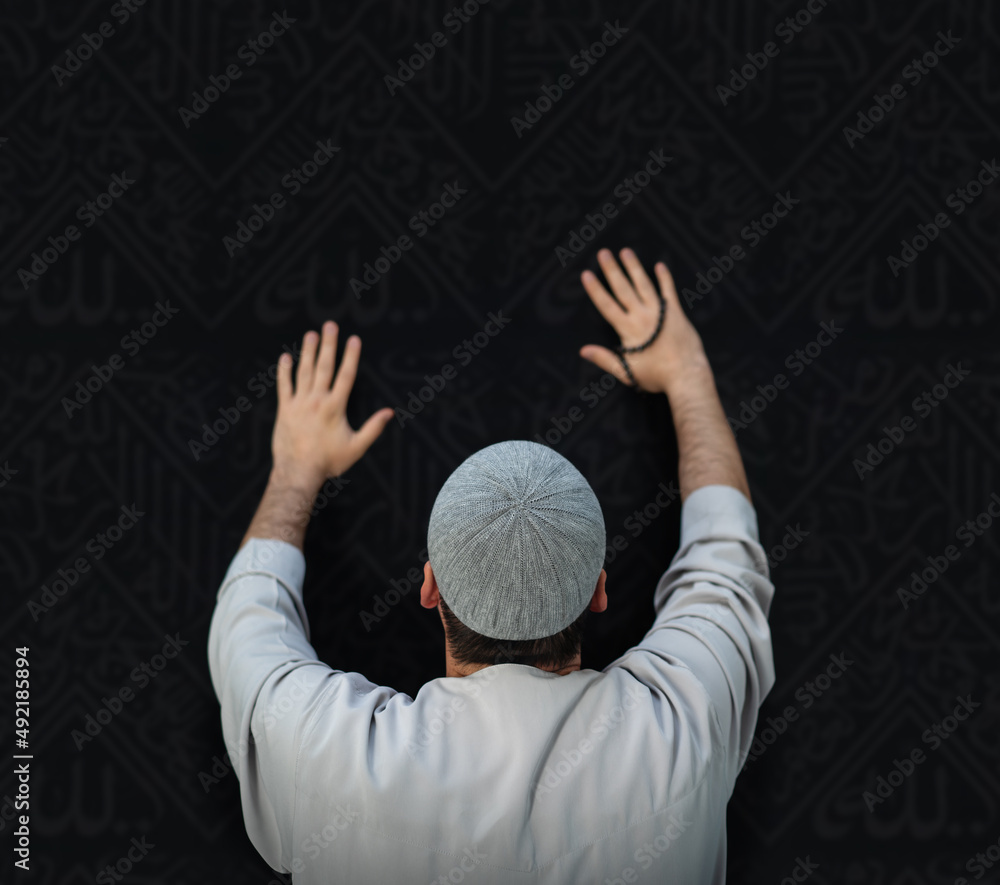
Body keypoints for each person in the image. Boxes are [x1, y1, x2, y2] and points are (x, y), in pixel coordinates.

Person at [208, 247, 775, 884]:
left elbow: (248, 620)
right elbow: (725, 558)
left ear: (429, 588)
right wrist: (688, 375)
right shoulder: (684, 728)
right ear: (599, 591)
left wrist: (296, 470)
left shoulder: (322, 755)